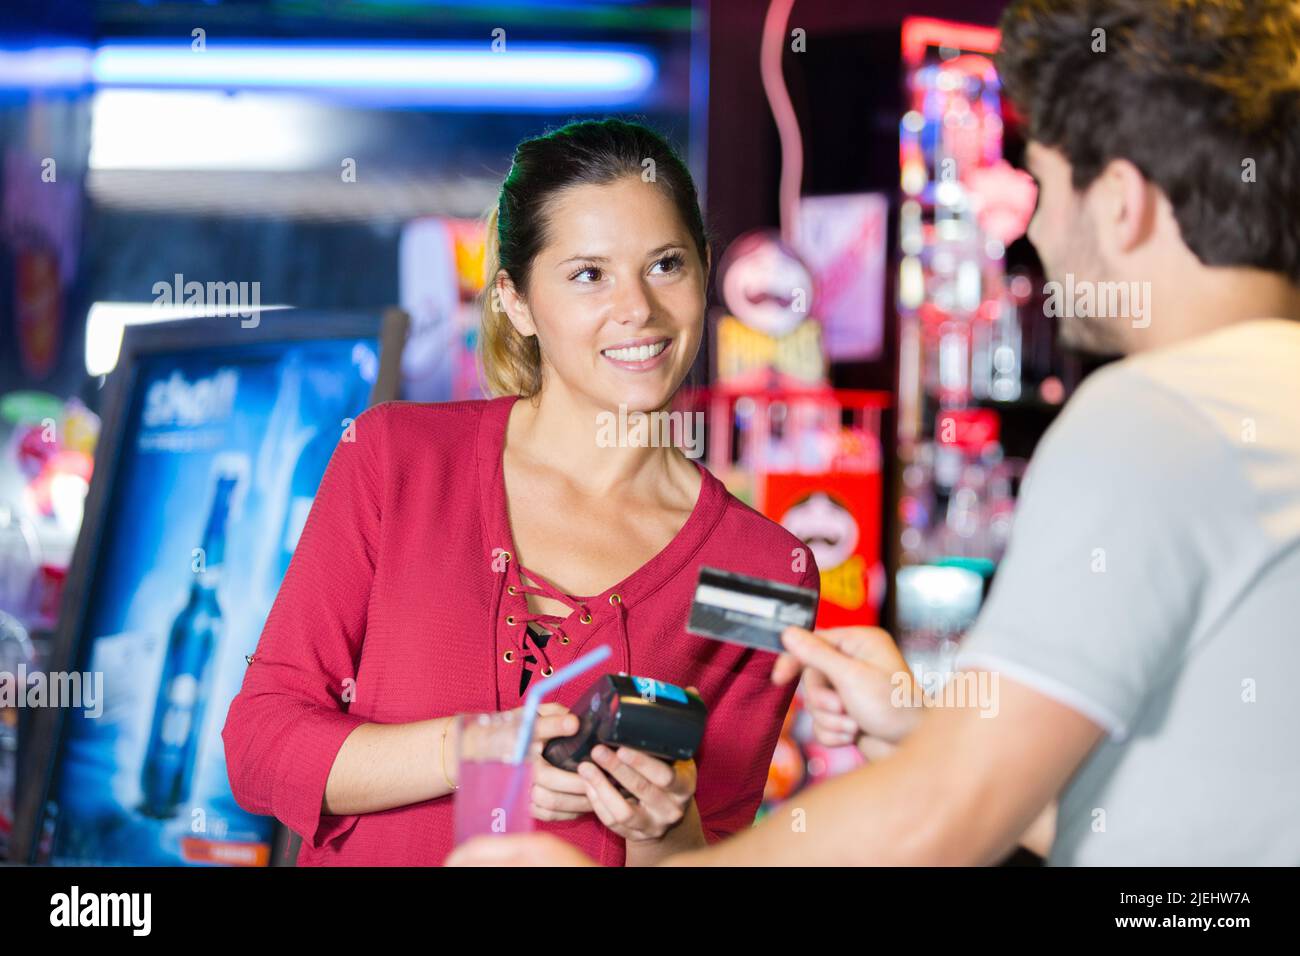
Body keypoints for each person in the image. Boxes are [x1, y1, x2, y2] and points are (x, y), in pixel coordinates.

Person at [446, 0, 1300, 867]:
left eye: (1040, 182)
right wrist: (923, 727)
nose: (1034, 230)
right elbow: (1190, 815)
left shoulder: (1157, 418)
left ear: (1122, 203)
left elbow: (941, 818)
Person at [222, 119, 819, 866]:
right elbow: (259, 746)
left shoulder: (761, 574)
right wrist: (469, 749)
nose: (637, 308)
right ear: (516, 300)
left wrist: (663, 827)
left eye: (664, 264)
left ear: (703, 270)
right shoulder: (395, 461)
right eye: (588, 274)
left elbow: (719, 846)